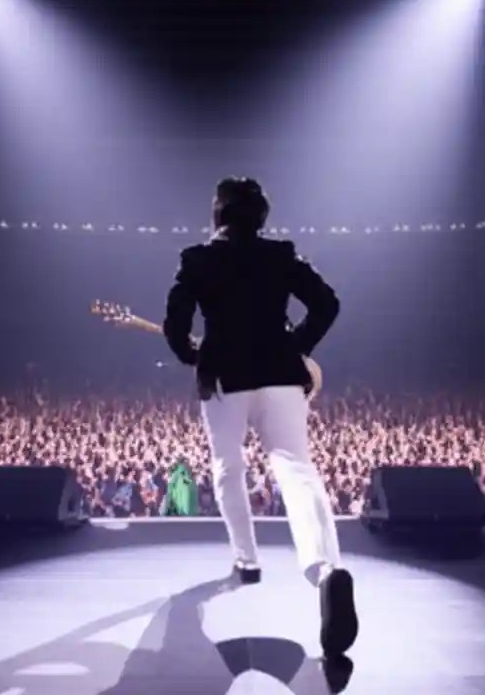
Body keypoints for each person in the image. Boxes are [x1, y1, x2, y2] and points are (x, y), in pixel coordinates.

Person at [162, 176, 358, 657]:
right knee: (296, 468)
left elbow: (175, 322)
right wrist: (296, 344)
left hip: (226, 379)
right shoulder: (280, 255)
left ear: (219, 213)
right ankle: (325, 570)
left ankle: (246, 560)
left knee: (228, 466)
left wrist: (193, 355)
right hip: (280, 373)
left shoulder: (199, 259)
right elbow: (327, 303)